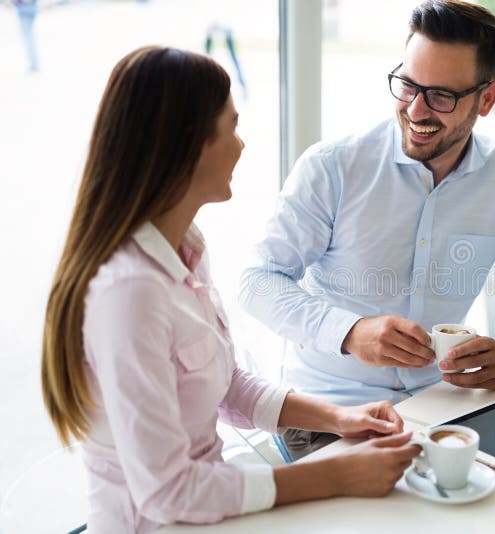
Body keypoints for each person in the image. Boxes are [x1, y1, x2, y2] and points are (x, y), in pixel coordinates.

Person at [41, 46, 419, 534]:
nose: (241, 145)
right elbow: (167, 493)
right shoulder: (129, 294)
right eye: (230, 127)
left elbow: (224, 384)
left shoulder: (185, 250)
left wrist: (339, 418)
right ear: (186, 146)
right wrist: (333, 475)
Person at [240, 0, 495, 459]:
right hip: (329, 415)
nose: (416, 110)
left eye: (442, 96)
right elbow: (257, 282)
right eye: (407, 85)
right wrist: (349, 332)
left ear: (487, 99)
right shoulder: (333, 167)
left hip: (444, 406)